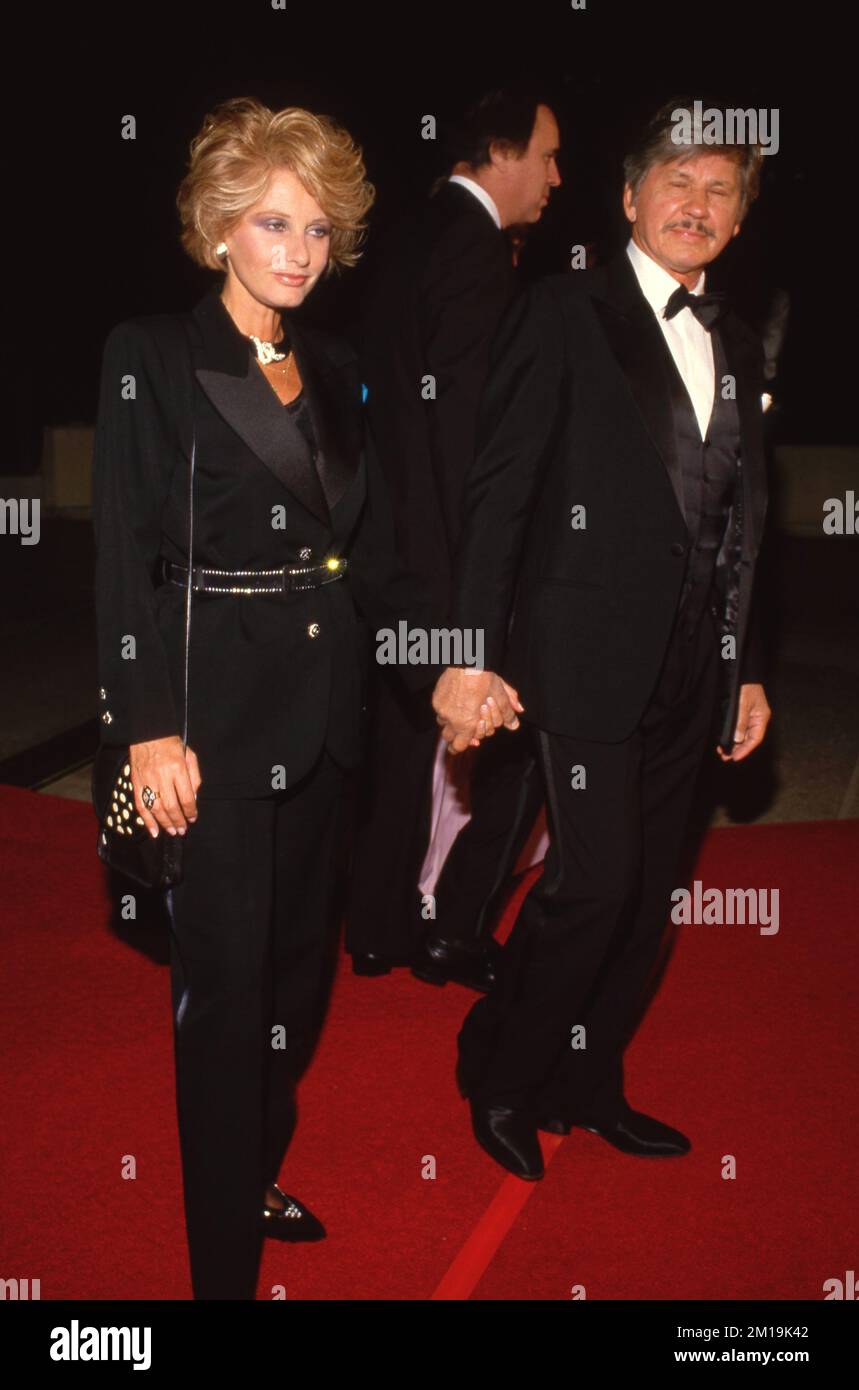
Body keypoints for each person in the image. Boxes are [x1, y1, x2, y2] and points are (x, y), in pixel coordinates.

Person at [92, 96, 417, 1298]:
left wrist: (443, 661)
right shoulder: (154, 355)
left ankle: (253, 1163)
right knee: (224, 1001)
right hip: (210, 727)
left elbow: (364, 549)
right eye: (271, 222)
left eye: (319, 230)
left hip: (325, 720)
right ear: (219, 226)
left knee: (295, 981)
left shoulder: (331, 365)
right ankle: (218, 1264)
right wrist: (147, 728)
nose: (296, 249)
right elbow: (125, 550)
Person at [432, 98, 772, 1179]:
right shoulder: (562, 312)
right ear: (629, 198)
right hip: (580, 658)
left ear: (738, 218)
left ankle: (589, 1080)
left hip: (692, 672)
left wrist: (747, 667)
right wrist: (469, 648)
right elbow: (499, 494)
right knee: (594, 883)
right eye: (677, 180)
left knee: (648, 899)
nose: (697, 203)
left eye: (721, 190)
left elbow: (738, 521)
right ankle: (500, 1066)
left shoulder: (735, 332)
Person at [347, 84, 561, 989]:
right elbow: (472, 442)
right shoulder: (476, 254)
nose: (556, 177)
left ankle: (377, 925)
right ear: (499, 154)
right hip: (444, 556)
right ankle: (440, 927)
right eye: (547, 156)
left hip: (380, 548)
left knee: (397, 743)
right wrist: (480, 589)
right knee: (509, 733)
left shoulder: (405, 234)